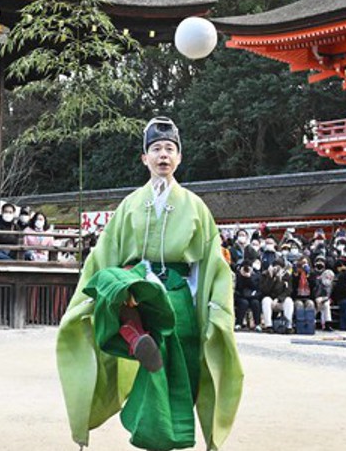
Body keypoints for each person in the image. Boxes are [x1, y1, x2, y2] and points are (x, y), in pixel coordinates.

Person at [57, 117, 242, 450]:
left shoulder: (195, 207)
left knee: (179, 364)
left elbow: (212, 263)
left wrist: (215, 309)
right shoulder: (129, 204)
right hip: (137, 289)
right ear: (144, 158)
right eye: (156, 149)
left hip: (177, 292)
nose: (163, 155)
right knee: (114, 284)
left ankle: (167, 430)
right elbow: (103, 255)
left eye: (170, 149)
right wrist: (87, 300)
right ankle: (134, 337)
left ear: (179, 158)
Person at [260, 261, 294, 333]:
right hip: (270, 300)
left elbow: (288, 291)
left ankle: (288, 326)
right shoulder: (266, 275)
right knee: (266, 300)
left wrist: (278, 299)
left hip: (281, 301)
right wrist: (271, 278)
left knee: (289, 301)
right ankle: (268, 326)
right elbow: (265, 291)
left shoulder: (287, 276)